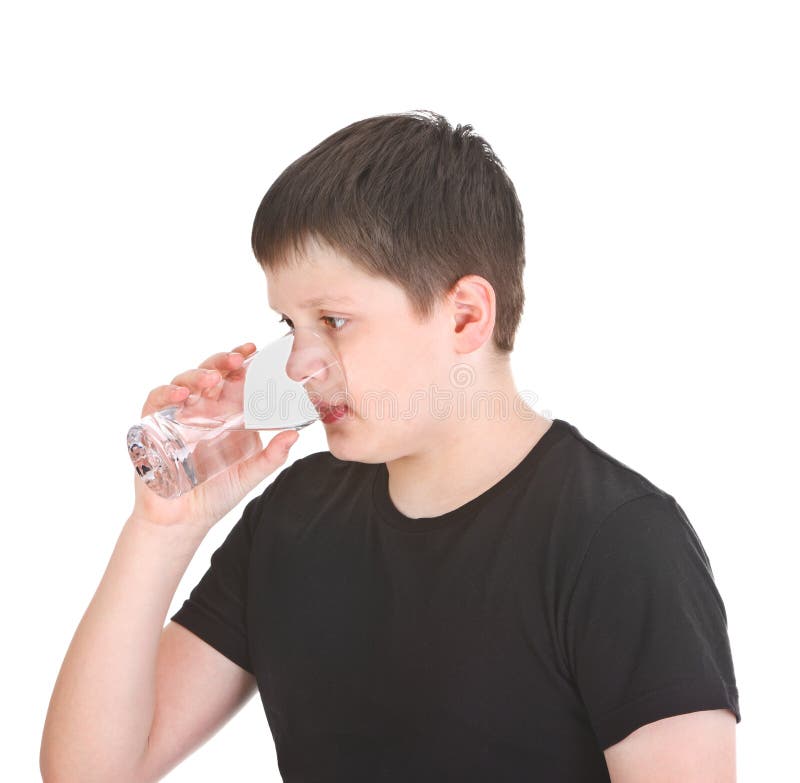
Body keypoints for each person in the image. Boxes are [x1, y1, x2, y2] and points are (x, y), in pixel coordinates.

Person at [40, 109, 740, 782]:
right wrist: (164, 525)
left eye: (334, 320)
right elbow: (89, 770)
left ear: (465, 315)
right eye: (291, 321)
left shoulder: (619, 542)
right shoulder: (294, 518)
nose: (295, 364)